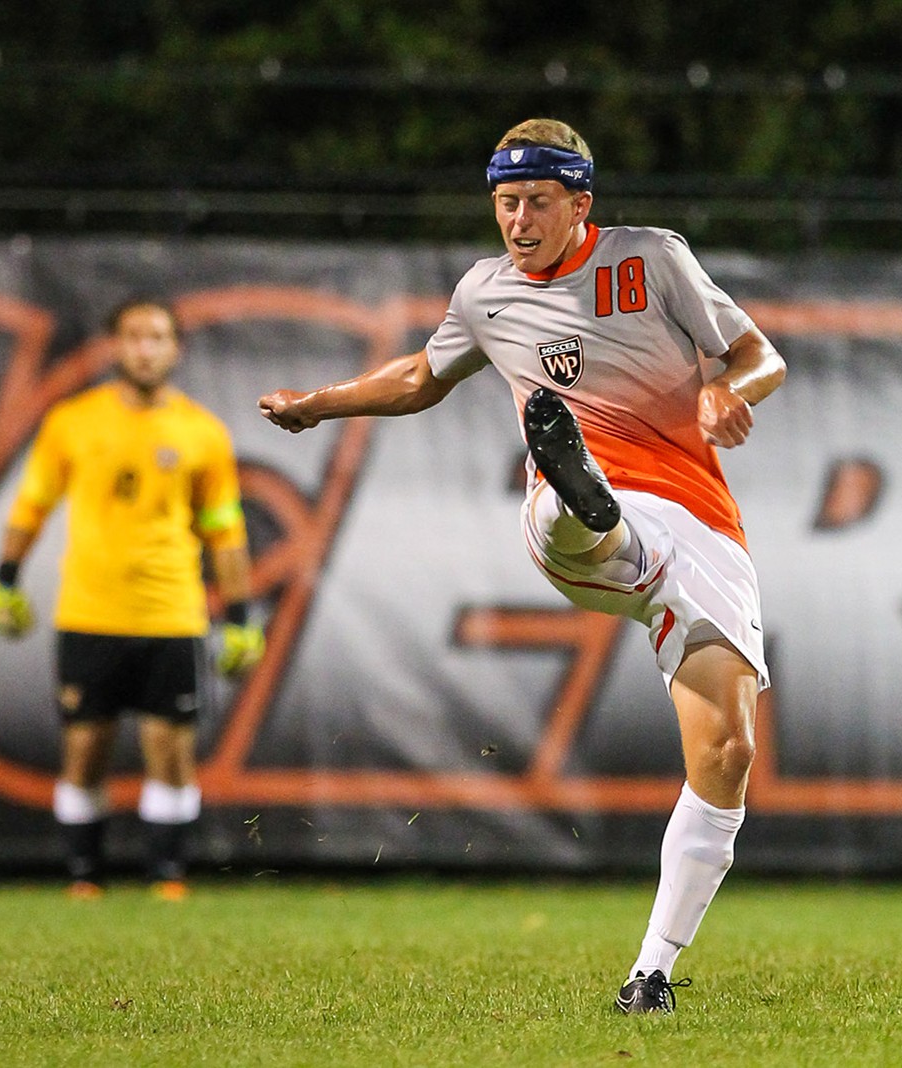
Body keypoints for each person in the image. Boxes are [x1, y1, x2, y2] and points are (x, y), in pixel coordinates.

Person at [258, 118, 785, 1014]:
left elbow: (759, 353)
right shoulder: (485, 293)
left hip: (698, 522)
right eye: (505, 203)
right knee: (569, 516)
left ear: (582, 202)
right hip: (579, 526)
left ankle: (649, 974)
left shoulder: (651, 259)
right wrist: (320, 405)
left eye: (538, 201)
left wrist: (725, 390)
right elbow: (423, 376)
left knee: (729, 751)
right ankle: (592, 506)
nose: (518, 219)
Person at [0, 298, 265, 900]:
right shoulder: (72, 422)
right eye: (134, 337)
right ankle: (84, 879)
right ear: (116, 347)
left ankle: (167, 879)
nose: (145, 348)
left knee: (171, 752)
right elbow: (31, 505)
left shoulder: (203, 433)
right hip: (90, 611)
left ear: (175, 349)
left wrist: (241, 618)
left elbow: (225, 532)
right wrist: (4, 577)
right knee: (85, 749)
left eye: (157, 337)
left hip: (172, 613)